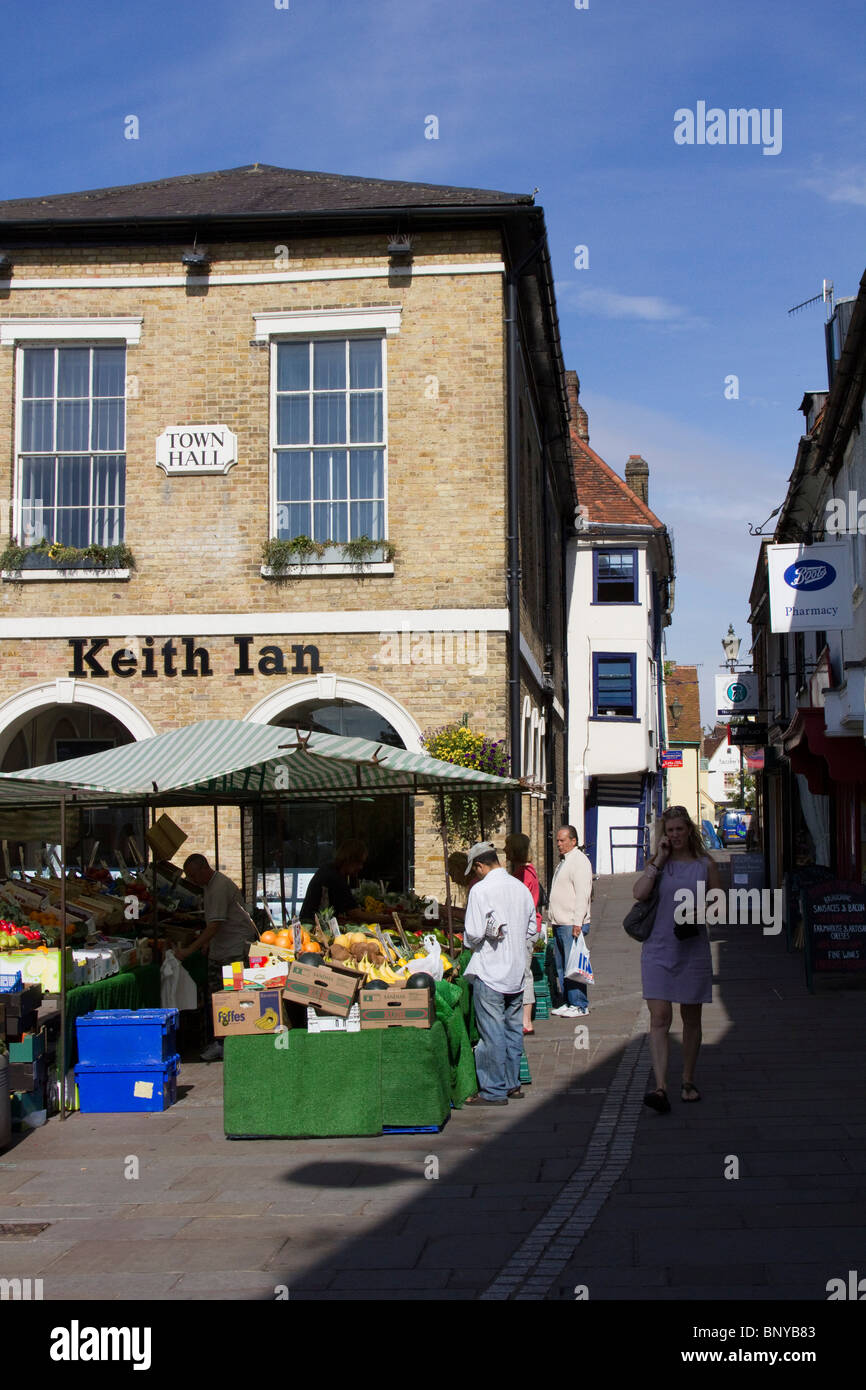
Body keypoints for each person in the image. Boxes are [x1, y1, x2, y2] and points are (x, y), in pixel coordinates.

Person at [631, 805, 720, 1112]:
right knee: (659, 1018)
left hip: (691, 948)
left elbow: (718, 907)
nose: (675, 835)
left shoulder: (704, 864)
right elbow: (640, 893)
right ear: (663, 834)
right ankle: (660, 1087)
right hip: (658, 948)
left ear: (689, 830)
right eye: (670, 831)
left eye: (680, 829)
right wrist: (658, 860)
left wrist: (698, 913)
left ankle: (687, 1079)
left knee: (691, 1019)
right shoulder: (658, 863)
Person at [461, 841, 538, 1105]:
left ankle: (493, 1089)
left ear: (481, 865)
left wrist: (488, 936)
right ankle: (512, 1083)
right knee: (512, 1029)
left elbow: (471, 935)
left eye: (475, 870)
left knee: (491, 1032)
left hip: (491, 971)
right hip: (516, 971)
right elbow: (532, 930)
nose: (476, 875)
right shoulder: (520, 888)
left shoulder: (480, 891)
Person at [176, 854, 259, 1062]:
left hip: (233, 951)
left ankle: (227, 1042)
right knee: (219, 998)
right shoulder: (210, 886)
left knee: (227, 999)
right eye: (190, 877)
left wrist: (190, 950)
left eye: (194, 875)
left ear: (204, 869)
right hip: (223, 949)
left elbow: (215, 924)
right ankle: (223, 1041)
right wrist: (207, 944)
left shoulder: (219, 886)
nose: (193, 880)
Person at [547, 825, 593, 1017]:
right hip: (560, 922)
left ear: (573, 841)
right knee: (562, 965)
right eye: (557, 840)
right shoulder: (565, 861)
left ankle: (580, 1004)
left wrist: (578, 922)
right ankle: (568, 1001)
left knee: (573, 965)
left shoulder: (579, 862)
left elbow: (583, 894)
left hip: (571, 922)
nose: (558, 844)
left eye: (562, 840)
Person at [505, 832, 542, 1035]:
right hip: (528, 927)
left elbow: (523, 905)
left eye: (508, 846)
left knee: (524, 973)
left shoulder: (524, 874)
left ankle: (526, 1021)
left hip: (525, 929)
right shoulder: (526, 871)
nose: (504, 851)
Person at [299, 839, 368, 922]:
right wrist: (387, 919)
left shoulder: (330, 869)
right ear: (350, 859)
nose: (361, 867)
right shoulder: (335, 878)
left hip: (311, 922)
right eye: (359, 862)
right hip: (312, 926)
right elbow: (356, 914)